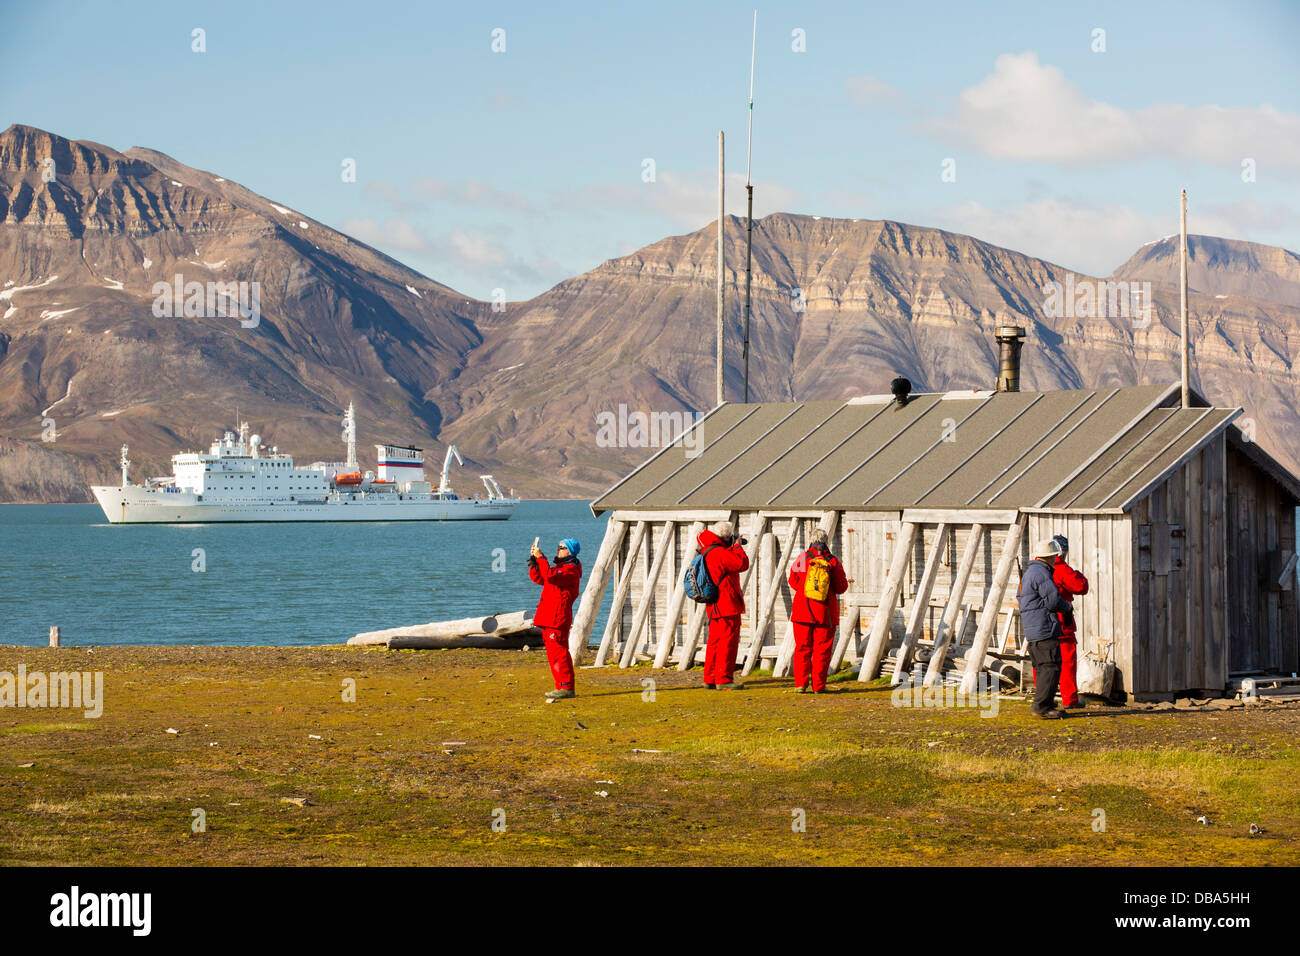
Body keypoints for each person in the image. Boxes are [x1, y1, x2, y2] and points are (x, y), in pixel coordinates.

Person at [787, 528, 849, 693]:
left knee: (802, 648)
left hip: (802, 610)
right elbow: (842, 587)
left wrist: (804, 590)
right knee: (822, 649)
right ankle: (819, 686)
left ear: (811, 540)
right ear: (826, 542)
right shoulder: (833, 561)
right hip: (825, 612)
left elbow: (792, 581)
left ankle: (800, 684)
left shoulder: (801, 559)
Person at [1017, 538, 1069, 718]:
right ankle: (1041, 707)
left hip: (1033, 629)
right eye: (1055, 555)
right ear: (1052, 556)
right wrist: (1067, 606)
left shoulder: (1030, 573)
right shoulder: (1041, 573)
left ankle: (1045, 702)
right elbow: (1054, 601)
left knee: (1042, 667)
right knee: (1050, 666)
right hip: (1044, 627)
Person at [697, 520, 749, 689]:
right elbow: (742, 564)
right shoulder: (719, 552)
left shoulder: (707, 549)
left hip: (714, 603)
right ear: (726, 536)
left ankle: (710, 677)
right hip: (726, 602)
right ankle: (724, 679)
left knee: (714, 641)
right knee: (728, 641)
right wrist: (738, 547)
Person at [529, 537, 582, 700]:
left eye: (562, 547)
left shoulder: (570, 569)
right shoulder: (560, 569)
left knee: (559, 652)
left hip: (557, 619)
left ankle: (566, 687)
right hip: (548, 617)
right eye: (558, 547)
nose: (558, 550)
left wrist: (541, 558)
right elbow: (539, 578)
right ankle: (560, 686)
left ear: (570, 551)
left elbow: (550, 575)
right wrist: (534, 563)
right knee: (553, 654)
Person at [1050, 534, 1090, 709]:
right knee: (1067, 662)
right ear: (1061, 552)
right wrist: (1078, 573)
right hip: (1062, 621)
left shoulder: (1036, 568)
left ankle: (1044, 699)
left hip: (1042, 622)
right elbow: (1080, 587)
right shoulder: (1061, 568)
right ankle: (1070, 700)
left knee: (1045, 662)